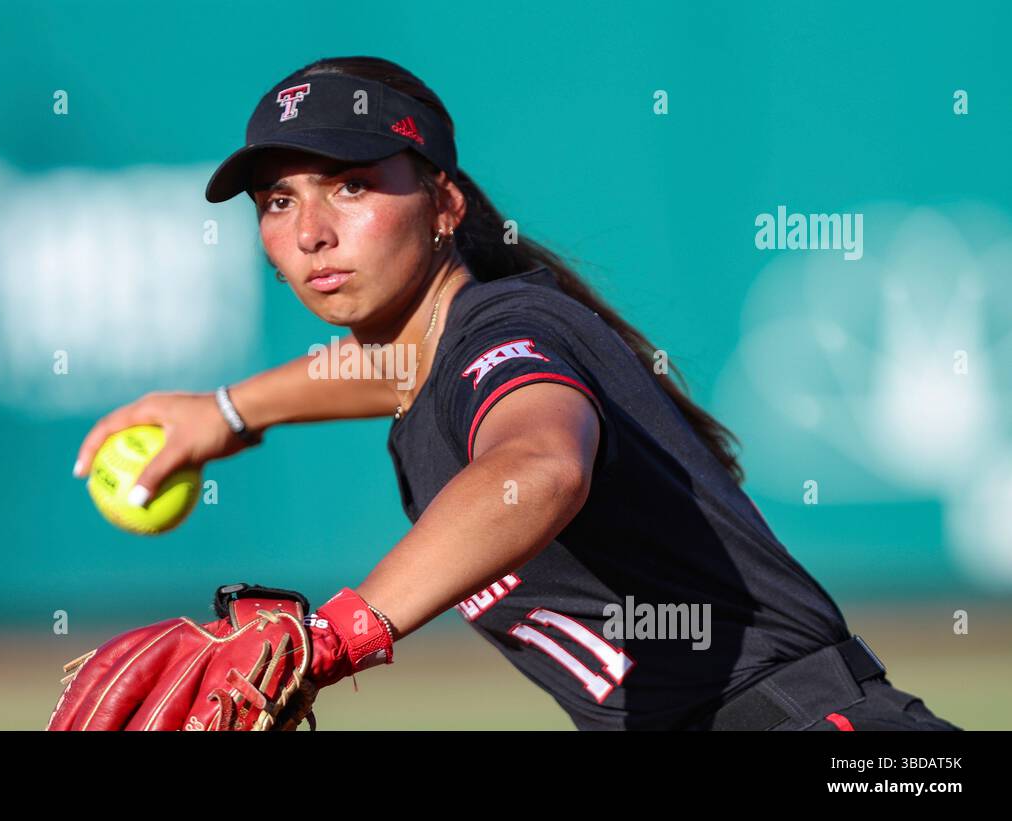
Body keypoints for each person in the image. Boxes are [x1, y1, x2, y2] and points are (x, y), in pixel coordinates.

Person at [70, 55, 960, 731]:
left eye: (351, 185)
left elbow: (536, 470)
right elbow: (388, 374)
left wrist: (336, 637)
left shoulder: (508, 329)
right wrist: (226, 413)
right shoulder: (440, 353)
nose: (310, 232)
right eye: (277, 200)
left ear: (444, 203)